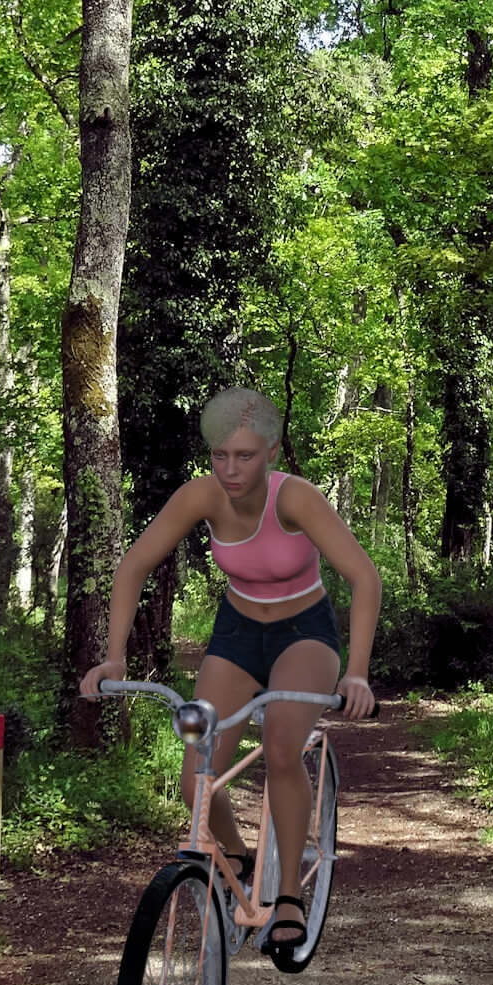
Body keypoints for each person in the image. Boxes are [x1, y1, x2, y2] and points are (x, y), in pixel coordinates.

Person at [81, 386, 378, 953]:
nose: (230, 468)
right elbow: (135, 564)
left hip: (304, 632)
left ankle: (288, 893)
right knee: (199, 773)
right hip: (237, 633)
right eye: (220, 455)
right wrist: (114, 654)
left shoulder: (296, 499)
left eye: (244, 456)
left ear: (269, 451)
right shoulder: (201, 497)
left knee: (284, 748)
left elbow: (364, 577)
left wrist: (357, 672)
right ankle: (239, 859)